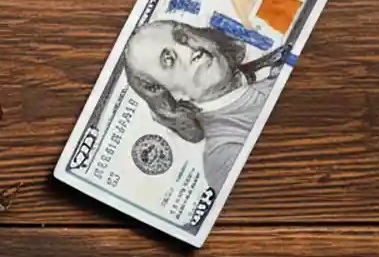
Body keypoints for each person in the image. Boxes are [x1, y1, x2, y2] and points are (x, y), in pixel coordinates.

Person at [122, 19, 285, 189]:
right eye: (169, 60)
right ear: (171, 95)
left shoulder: (275, 59)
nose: (189, 50)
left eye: (184, 37)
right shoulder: (224, 154)